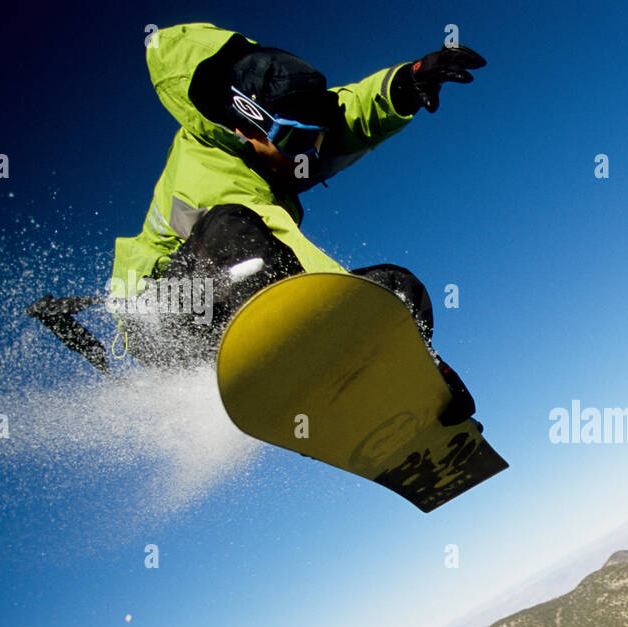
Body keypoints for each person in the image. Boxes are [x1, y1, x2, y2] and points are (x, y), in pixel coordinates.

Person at [40, 22, 484, 423]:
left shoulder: (278, 148)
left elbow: (344, 116)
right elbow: (288, 247)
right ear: (247, 127)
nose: (309, 154)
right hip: (165, 318)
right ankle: (322, 363)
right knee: (244, 240)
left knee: (399, 292)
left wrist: (407, 81)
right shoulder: (210, 175)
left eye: (316, 138)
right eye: (295, 140)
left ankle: (361, 378)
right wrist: (361, 328)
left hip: (242, 292)